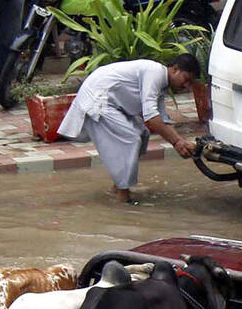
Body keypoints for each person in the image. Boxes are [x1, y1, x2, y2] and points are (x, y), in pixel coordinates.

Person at [57, 54, 200, 203]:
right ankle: (122, 196)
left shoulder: (161, 84)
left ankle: (118, 186)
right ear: (175, 69)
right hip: (99, 98)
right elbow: (151, 117)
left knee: (142, 133)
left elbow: (161, 118)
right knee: (131, 138)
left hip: (110, 102)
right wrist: (177, 142)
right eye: (186, 79)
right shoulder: (155, 72)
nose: (186, 86)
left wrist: (182, 141)